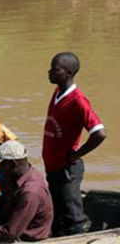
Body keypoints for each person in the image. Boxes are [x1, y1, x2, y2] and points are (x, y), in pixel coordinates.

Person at [43, 52, 106, 236]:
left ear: (68, 73)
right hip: (53, 166)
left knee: (74, 216)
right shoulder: (57, 92)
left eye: (55, 69)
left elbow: (99, 133)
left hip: (67, 169)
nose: (49, 72)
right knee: (57, 210)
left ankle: (80, 237)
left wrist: (76, 155)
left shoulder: (78, 101)